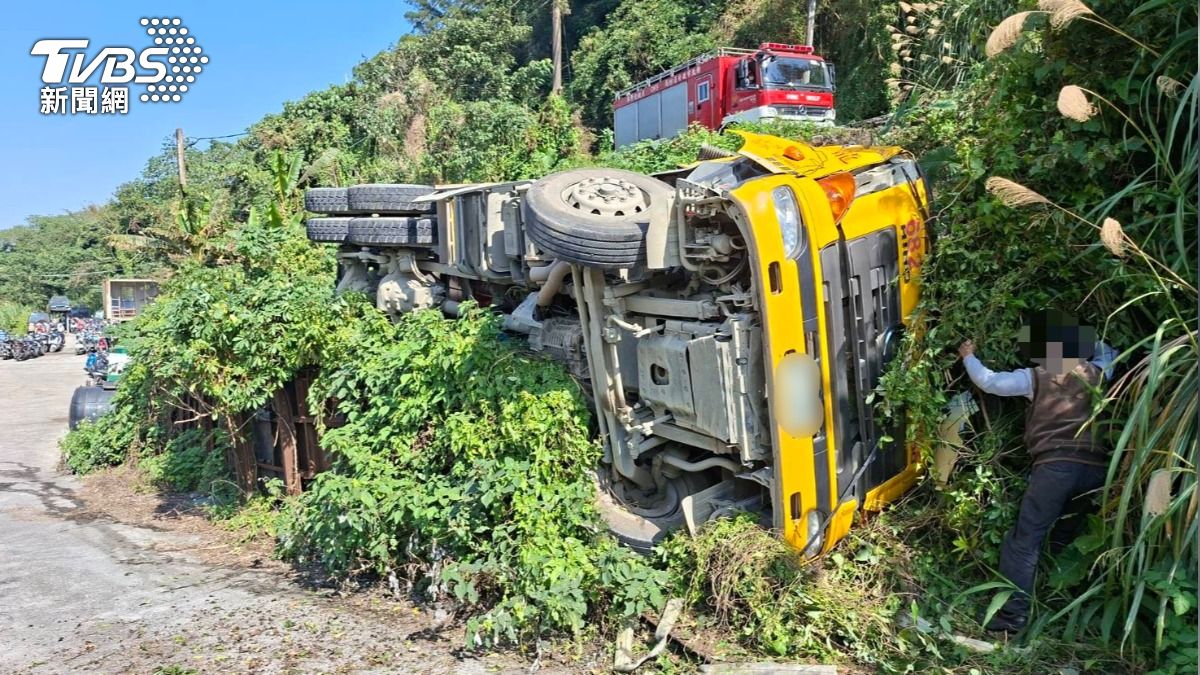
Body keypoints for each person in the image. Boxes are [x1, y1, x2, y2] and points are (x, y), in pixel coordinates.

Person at [958, 310, 1117, 633]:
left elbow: (989, 382)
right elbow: (1110, 353)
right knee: (1066, 535)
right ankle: (1059, 600)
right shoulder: (1099, 372)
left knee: (1025, 540)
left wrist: (968, 356)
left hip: (1055, 468)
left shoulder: (1037, 376)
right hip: (1096, 470)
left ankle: (1011, 618)